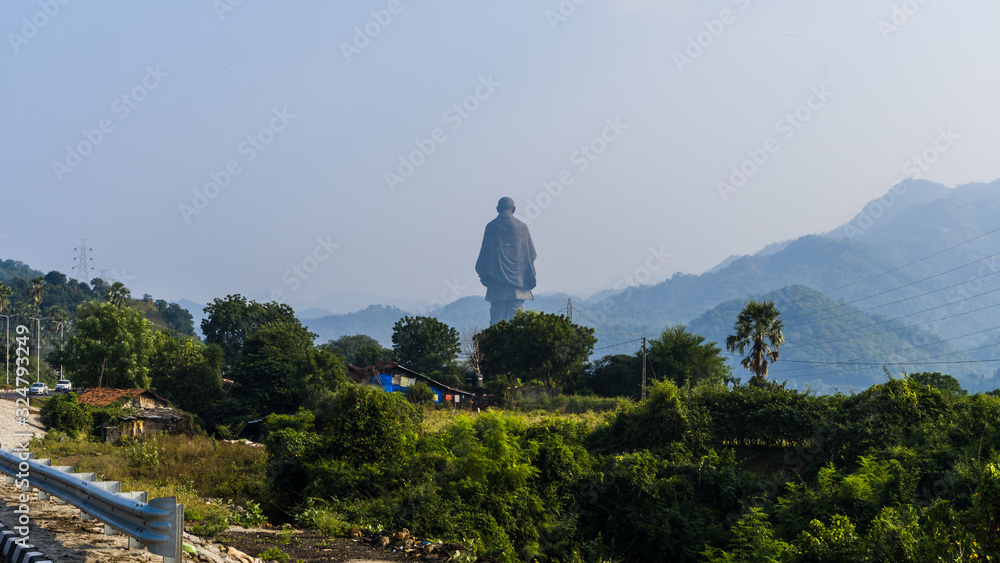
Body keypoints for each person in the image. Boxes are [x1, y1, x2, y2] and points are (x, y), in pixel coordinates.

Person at [475, 197, 537, 324]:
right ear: (513, 209)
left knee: (496, 325)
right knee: (518, 325)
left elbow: (484, 256)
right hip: (519, 287)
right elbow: (532, 254)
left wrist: (484, 274)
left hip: (497, 287)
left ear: (498, 209)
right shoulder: (522, 227)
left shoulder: (491, 227)